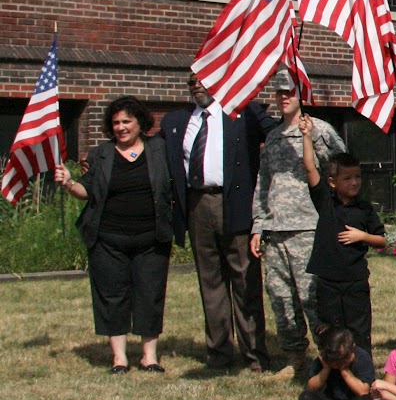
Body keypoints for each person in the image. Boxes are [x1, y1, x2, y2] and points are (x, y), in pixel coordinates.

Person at [58, 96, 182, 373]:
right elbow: (86, 191)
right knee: (112, 295)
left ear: (140, 123)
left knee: (150, 295)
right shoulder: (100, 154)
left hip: (152, 239)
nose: (121, 127)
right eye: (116, 122)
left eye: (127, 121)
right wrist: (68, 183)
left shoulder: (160, 149)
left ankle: (149, 356)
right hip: (107, 240)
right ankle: (120, 358)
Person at [161, 73, 275, 371]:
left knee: (245, 280)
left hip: (235, 205)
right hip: (197, 205)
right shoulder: (176, 121)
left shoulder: (242, 113)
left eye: (204, 79)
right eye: (191, 82)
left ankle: (254, 355)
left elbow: (275, 133)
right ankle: (219, 353)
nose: (197, 85)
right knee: (210, 282)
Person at [251, 71, 345, 376]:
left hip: (310, 226)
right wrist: (258, 225)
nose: (283, 97)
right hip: (276, 228)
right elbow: (264, 182)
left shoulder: (321, 130)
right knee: (281, 296)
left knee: (312, 297)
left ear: (302, 93)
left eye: (289, 92)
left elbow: (342, 170)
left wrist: (311, 139)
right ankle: (294, 356)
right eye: (279, 93)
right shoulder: (274, 136)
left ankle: (327, 357)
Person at [302, 132, 384, 354]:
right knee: (330, 331)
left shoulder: (364, 208)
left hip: (354, 281)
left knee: (358, 331)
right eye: (347, 178)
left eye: (357, 176)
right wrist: (306, 136)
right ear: (332, 181)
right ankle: (334, 373)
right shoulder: (325, 201)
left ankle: (361, 373)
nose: (355, 182)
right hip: (327, 282)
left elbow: (381, 240)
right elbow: (310, 167)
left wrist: (362, 236)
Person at [291, 325, 373, 400]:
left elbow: (363, 391)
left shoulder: (362, 356)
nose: (336, 364)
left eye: (340, 359)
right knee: (305, 397)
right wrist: (326, 369)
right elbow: (310, 388)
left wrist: (344, 370)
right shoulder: (324, 360)